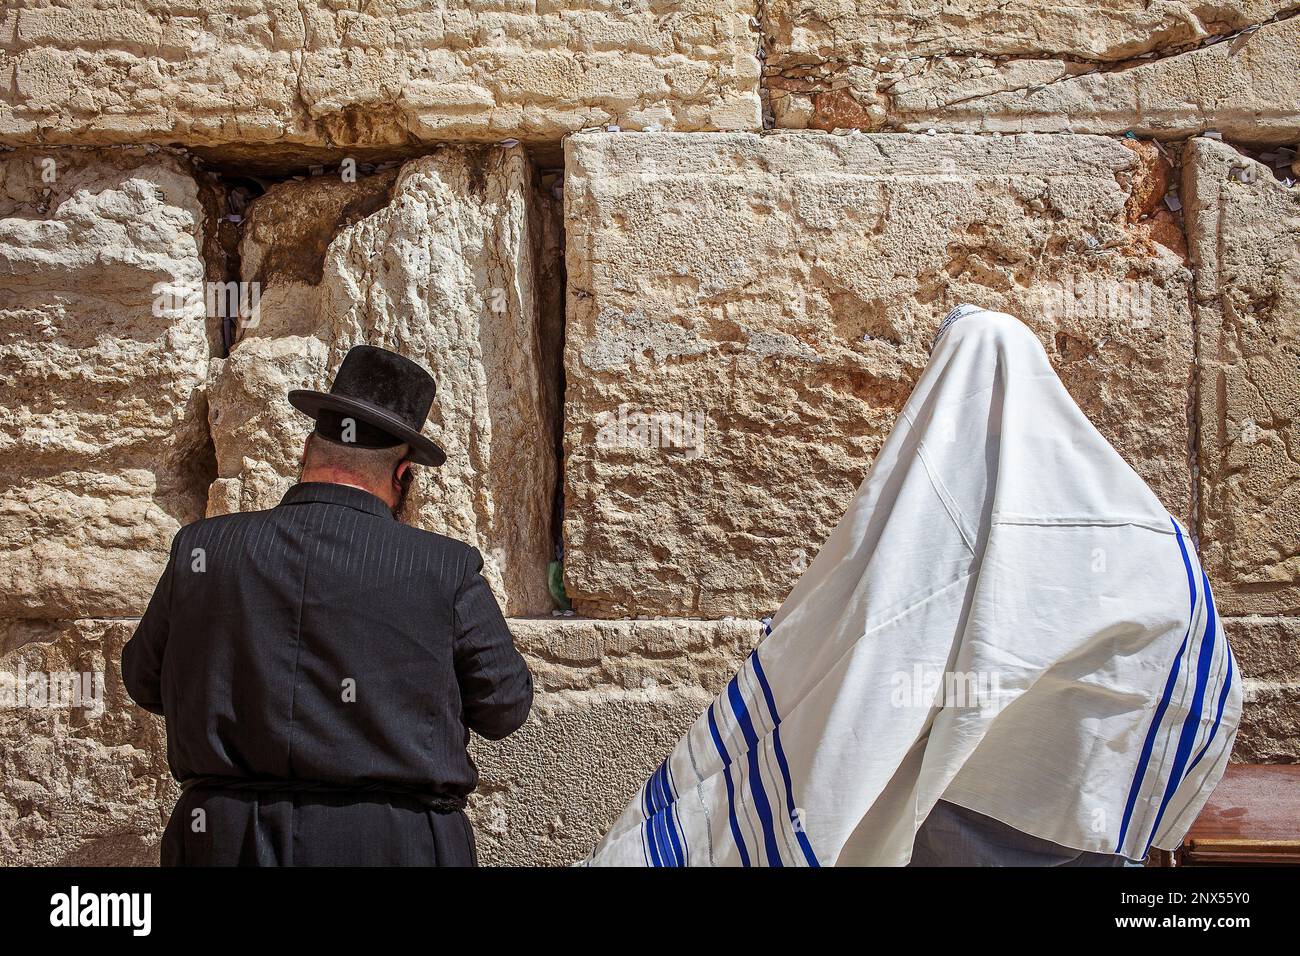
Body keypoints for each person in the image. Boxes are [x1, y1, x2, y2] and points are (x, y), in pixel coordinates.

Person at [584, 305, 1240, 867]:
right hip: (1090, 803)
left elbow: (865, 638)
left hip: (959, 812)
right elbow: (1200, 668)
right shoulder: (1144, 527)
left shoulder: (927, 517)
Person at [122, 344, 533, 866]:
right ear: (403, 475)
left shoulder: (203, 550)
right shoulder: (444, 568)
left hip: (225, 840)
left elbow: (143, 680)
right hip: (391, 845)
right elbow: (504, 707)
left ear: (305, 454)